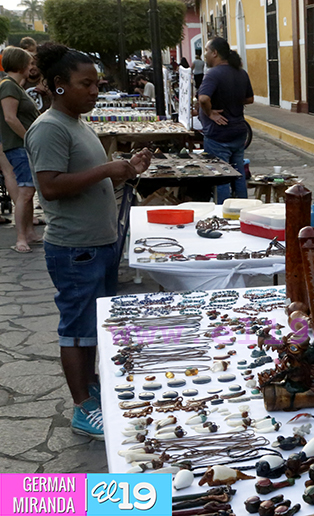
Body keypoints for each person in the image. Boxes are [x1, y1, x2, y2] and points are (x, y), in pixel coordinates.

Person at [25, 42, 151, 440]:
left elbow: (93, 182)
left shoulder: (77, 124)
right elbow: (50, 187)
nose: (95, 91)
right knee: (77, 329)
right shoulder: (49, 128)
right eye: (86, 84)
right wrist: (104, 171)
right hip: (75, 248)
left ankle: (92, 388)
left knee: (94, 326)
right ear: (59, 85)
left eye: (97, 83)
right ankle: (82, 406)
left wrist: (126, 171)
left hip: (99, 244)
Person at [197, 37, 253, 203]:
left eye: (206, 51)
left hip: (218, 134)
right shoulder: (241, 73)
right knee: (238, 174)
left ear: (215, 53)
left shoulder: (213, 74)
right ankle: (243, 207)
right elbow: (249, 99)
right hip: (238, 132)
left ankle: (222, 212)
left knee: (220, 176)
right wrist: (233, 100)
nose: (204, 55)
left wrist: (210, 114)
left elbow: (203, 99)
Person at [0, 47, 42, 253]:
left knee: (28, 190)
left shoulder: (12, 86)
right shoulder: (9, 87)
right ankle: (21, 237)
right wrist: (28, 138)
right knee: (25, 192)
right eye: (30, 63)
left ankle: (28, 233)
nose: (32, 67)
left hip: (20, 145)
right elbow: (10, 117)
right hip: (18, 146)